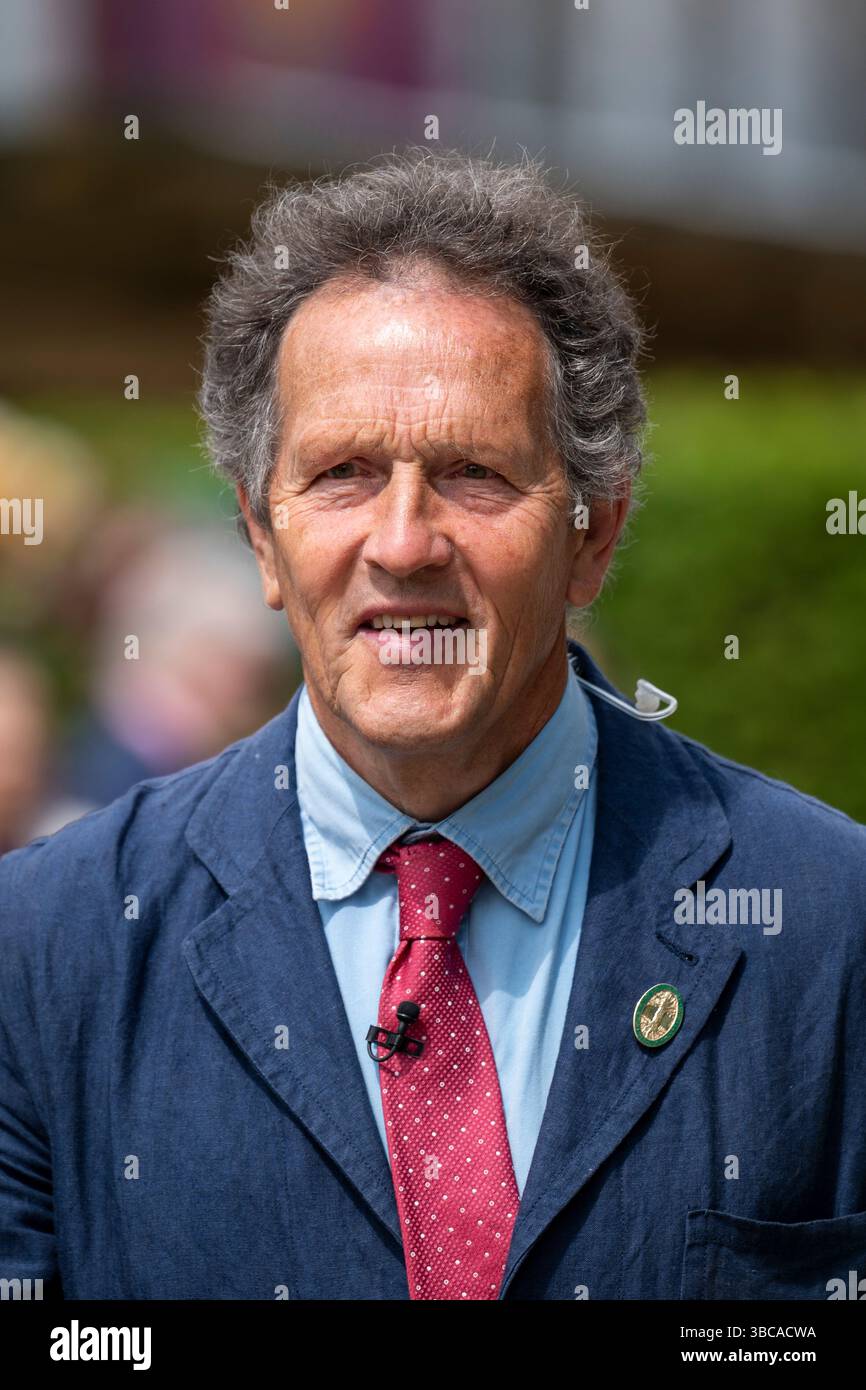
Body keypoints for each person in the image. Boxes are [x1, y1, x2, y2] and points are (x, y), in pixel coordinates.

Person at [1, 148, 864, 1302]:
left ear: (593, 534)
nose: (403, 544)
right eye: (344, 472)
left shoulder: (825, 925)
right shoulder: (48, 950)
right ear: (262, 535)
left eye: (471, 472)